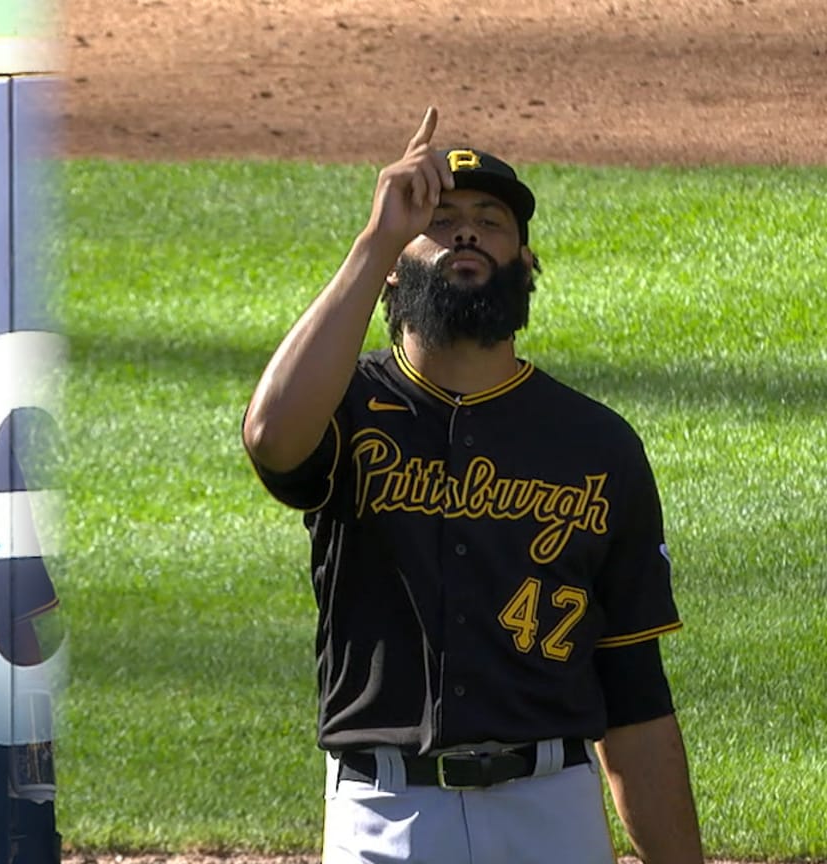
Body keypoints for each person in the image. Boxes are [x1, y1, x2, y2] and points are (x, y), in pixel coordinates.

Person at [239, 107, 704, 864]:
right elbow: (272, 438)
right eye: (440, 218)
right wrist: (375, 239)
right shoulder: (345, 409)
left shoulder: (597, 442)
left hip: (552, 808)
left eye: (491, 221)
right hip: (384, 813)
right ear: (396, 261)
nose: (465, 233)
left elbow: (634, 690)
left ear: (526, 264)